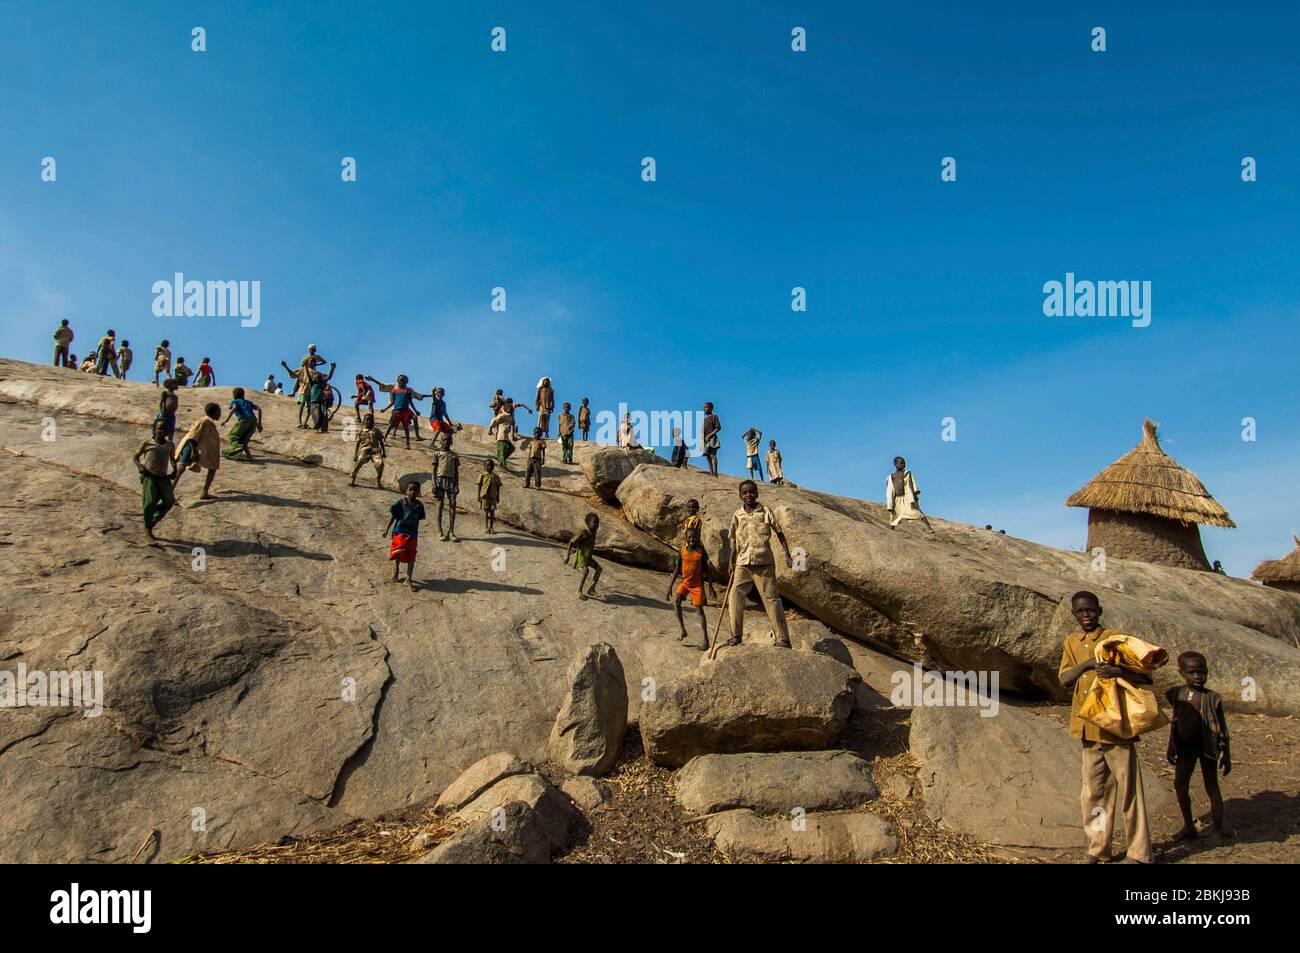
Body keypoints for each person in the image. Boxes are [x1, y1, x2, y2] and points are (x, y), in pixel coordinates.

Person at [1058, 591, 1155, 864]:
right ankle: (1098, 848)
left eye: (1090, 610)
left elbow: (1145, 676)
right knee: (1093, 794)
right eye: (1080, 612)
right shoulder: (1071, 642)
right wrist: (1088, 665)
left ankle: (1140, 853)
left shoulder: (1114, 639)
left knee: (1130, 792)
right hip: (1087, 728)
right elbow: (1065, 679)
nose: (1085, 616)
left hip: (1115, 727)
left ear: (1099, 611)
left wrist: (1118, 671)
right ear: (1074, 614)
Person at [1166, 651, 1231, 842]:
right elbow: (1175, 722)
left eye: (1201, 672)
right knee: (1180, 784)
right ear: (1181, 673)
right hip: (1185, 747)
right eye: (1192, 672)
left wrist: (1226, 755)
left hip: (1208, 746)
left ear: (1207, 672)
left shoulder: (1213, 698)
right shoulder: (1176, 694)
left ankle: (1217, 827)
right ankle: (1188, 826)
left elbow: (1223, 728)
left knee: (1211, 785)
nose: (1197, 676)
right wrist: (1171, 746)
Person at [724, 480, 792, 648]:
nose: (749, 495)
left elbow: (780, 533)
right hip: (743, 562)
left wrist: (788, 555)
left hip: (764, 562)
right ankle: (736, 635)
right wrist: (731, 561)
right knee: (734, 596)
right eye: (745, 492)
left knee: (771, 599)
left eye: (751, 492)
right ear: (740, 495)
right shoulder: (737, 515)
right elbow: (734, 541)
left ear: (757, 493)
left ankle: (782, 638)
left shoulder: (765, 511)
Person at [667, 525, 717, 648]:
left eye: (694, 537)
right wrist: (669, 587)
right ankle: (683, 630)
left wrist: (710, 586)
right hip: (685, 583)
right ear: (685, 538)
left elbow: (706, 570)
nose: (691, 539)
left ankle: (706, 640)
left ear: (698, 538)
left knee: (700, 611)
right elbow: (676, 570)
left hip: (697, 586)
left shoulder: (701, 552)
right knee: (677, 602)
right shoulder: (682, 552)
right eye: (689, 537)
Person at [133, 418, 177, 541]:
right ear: (154, 430)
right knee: (149, 502)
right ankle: (148, 529)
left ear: (168, 432)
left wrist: (174, 470)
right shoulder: (147, 443)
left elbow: (172, 459)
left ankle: (150, 517)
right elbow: (136, 457)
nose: (162, 431)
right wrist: (140, 466)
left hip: (163, 478)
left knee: (169, 501)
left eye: (164, 429)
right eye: (159, 428)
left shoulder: (170, 445)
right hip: (150, 476)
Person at [172, 402, 223, 500]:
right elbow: (192, 436)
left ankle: (204, 492)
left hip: (202, 450)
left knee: (213, 467)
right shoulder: (203, 421)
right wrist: (194, 451)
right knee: (181, 468)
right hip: (192, 448)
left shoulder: (209, 423)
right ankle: (169, 493)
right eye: (219, 412)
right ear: (216, 412)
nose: (220, 415)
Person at [384, 480, 426, 590]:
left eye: (415, 490)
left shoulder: (419, 506)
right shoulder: (400, 503)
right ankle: (396, 570)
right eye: (410, 490)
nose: (413, 492)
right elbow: (393, 516)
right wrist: (387, 529)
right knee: (399, 551)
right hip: (400, 531)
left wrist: (415, 534)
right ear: (406, 491)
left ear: (418, 492)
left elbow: (418, 519)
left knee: (411, 555)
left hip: (412, 533)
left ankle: (408, 578)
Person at [886, 456, 934, 532]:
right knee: (894, 515)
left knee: (917, 512)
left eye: (904, 463)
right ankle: (892, 529)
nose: (903, 465)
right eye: (901, 463)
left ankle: (929, 528)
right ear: (896, 464)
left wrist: (915, 492)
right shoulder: (892, 476)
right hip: (897, 499)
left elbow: (912, 483)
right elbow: (890, 489)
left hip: (907, 498)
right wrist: (890, 503)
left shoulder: (907, 473)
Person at [376, 373, 424, 447]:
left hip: (405, 411)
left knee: (406, 428)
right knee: (390, 425)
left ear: (406, 382)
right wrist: (385, 409)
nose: (401, 382)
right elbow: (393, 402)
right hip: (396, 411)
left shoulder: (408, 391)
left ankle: (407, 444)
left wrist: (415, 410)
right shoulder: (394, 391)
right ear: (397, 381)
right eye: (400, 380)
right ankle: (384, 439)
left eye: (403, 381)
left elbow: (410, 402)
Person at [564, 513, 603, 600]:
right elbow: (571, 542)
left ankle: (592, 589)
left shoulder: (594, 533)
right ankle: (579, 591)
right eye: (595, 522)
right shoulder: (583, 532)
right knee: (586, 571)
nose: (597, 525)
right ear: (587, 522)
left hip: (588, 557)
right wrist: (568, 556)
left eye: (598, 523)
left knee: (599, 569)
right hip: (581, 557)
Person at [432, 431, 462, 541]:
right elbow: (434, 469)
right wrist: (433, 482)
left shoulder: (454, 455)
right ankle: (439, 530)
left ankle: (451, 531)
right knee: (439, 504)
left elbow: (457, 471)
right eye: (444, 440)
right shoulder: (437, 453)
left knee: (453, 504)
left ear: (451, 442)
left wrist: (457, 484)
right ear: (441, 441)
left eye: (448, 441)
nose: (446, 442)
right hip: (440, 480)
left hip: (451, 481)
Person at [221, 387, 263, 460]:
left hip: (244, 419)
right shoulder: (249, 402)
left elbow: (234, 408)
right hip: (253, 421)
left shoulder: (235, 401)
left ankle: (234, 451)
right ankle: (249, 456)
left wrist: (226, 420)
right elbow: (259, 409)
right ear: (243, 395)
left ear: (234, 395)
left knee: (233, 436)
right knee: (244, 440)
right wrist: (259, 423)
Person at [350, 413, 387, 488]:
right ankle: (353, 478)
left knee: (380, 464)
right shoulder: (361, 431)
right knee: (359, 461)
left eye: (370, 420)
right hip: (365, 451)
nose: (369, 422)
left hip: (375, 451)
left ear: (373, 421)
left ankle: (378, 481)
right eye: (367, 420)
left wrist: (384, 452)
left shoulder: (377, 430)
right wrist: (355, 454)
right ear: (364, 421)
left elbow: (381, 442)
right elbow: (358, 443)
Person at [490, 404, 517, 473]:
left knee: (512, 448)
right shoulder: (503, 415)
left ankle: (501, 460)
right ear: (506, 409)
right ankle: (503, 465)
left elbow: (513, 424)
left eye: (512, 409)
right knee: (502, 451)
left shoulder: (510, 417)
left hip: (506, 438)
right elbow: (494, 420)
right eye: (510, 408)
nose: (511, 409)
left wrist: (514, 434)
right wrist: (490, 429)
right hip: (501, 437)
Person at [477, 460, 502, 534]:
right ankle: (486, 527)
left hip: (493, 496)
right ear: (484, 466)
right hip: (484, 496)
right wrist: (479, 496)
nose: (489, 467)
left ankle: (491, 527)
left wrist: (498, 496)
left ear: (494, 467)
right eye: (487, 465)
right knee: (486, 511)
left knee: (492, 512)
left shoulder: (496, 477)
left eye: (491, 466)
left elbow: (498, 487)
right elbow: (479, 486)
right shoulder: (482, 475)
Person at [702, 401, 721, 477]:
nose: (704, 409)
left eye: (706, 407)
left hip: (712, 438)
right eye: (703, 408)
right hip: (706, 440)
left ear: (711, 408)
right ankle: (711, 473)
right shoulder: (705, 419)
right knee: (708, 456)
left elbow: (718, 428)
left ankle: (715, 473)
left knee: (713, 455)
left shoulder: (714, 417)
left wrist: (710, 435)